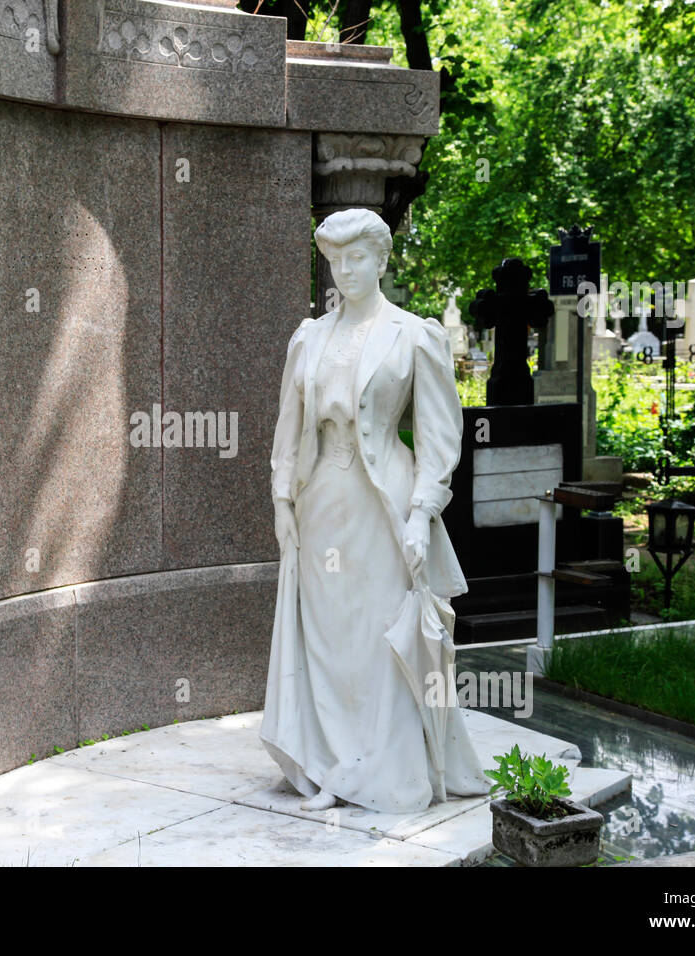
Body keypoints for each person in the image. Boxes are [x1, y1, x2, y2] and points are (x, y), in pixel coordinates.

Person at [260, 208, 490, 814]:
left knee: (381, 633)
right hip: (319, 503)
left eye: (357, 257)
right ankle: (334, 760)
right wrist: (283, 498)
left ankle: (377, 766)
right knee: (328, 636)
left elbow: (440, 438)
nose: (345, 270)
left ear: (383, 260)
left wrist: (422, 513)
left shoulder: (414, 335)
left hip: (384, 501)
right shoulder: (309, 337)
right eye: (336, 259)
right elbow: (288, 427)